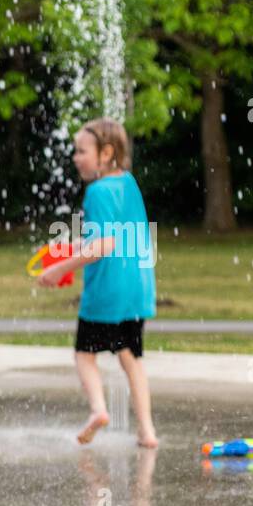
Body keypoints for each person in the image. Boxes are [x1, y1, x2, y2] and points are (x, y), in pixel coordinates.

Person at [38, 117, 158, 448]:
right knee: (130, 356)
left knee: (83, 354)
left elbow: (102, 246)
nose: (75, 157)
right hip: (138, 289)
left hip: (107, 292)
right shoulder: (130, 184)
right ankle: (146, 431)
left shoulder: (96, 192)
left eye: (81, 151)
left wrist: (59, 269)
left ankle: (98, 410)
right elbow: (113, 237)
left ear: (105, 153)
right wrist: (63, 251)